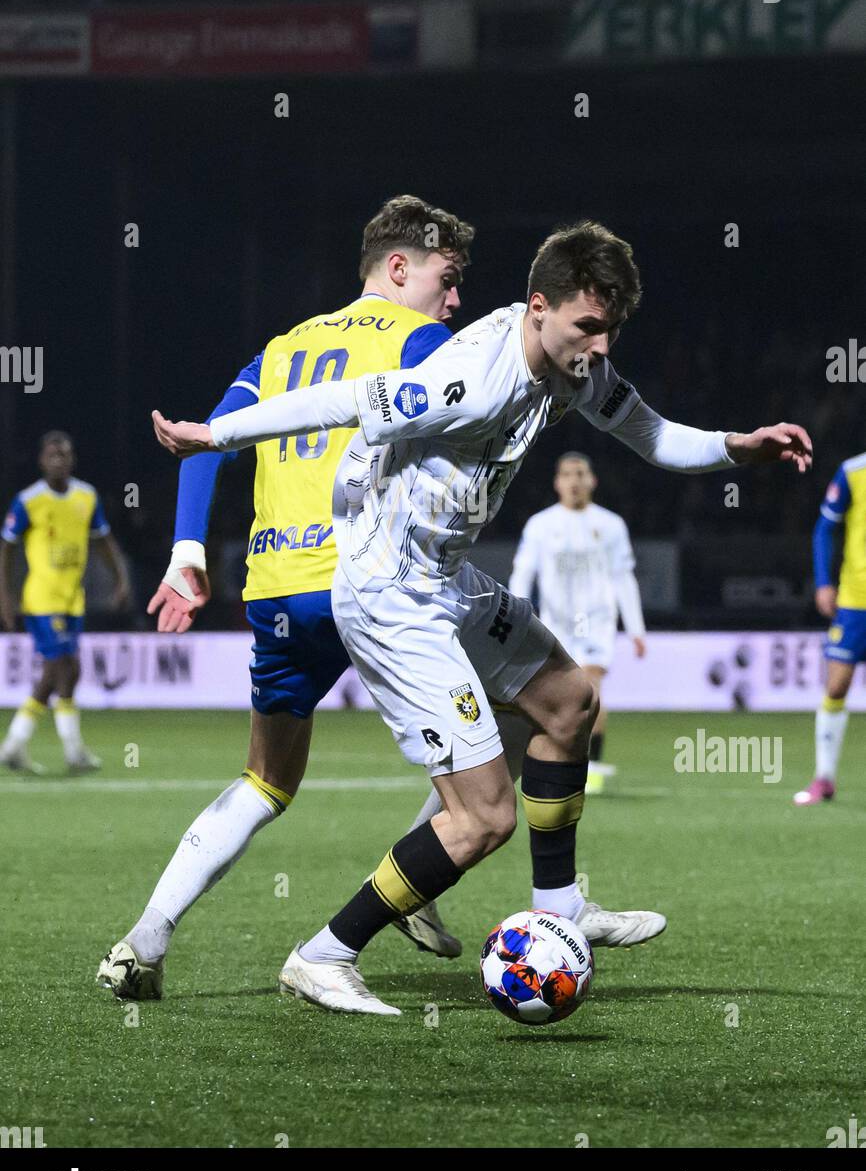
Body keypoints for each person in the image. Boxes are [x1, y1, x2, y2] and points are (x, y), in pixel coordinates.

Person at [153, 219, 812, 1016]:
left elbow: (652, 434)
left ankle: (561, 906)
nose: (601, 346)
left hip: (443, 578)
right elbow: (346, 399)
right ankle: (324, 955)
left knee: (569, 704)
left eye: (611, 329)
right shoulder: (472, 376)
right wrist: (213, 436)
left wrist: (740, 446)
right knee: (485, 817)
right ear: (539, 307)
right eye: (588, 326)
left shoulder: (575, 366)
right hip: (389, 594)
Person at [97, 195, 471, 1000]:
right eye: (447, 278)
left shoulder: (282, 348)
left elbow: (205, 441)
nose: (454, 299)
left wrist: (187, 554)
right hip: (370, 585)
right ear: (398, 267)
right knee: (533, 703)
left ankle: (144, 940)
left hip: (274, 590)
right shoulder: (423, 341)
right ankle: (411, 891)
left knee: (266, 780)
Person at [509, 452, 646, 791]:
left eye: (580, 473)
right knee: (553, 698)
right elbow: (523, 573)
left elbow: (623, 576)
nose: (574, 480)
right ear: (557, 483)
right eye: (567, 474)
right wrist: (517, 618)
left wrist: (636, 629)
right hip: (555, 624)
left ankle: (592, 767)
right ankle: (553, 762)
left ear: (592, 481)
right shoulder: (540, 525)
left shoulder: (611, 525)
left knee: (589, 689)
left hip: (597, 622)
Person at [0, 431, 130, 773]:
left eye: (64, 455)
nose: (58, 461)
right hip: (42, 600)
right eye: (52, 455)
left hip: (73, 600)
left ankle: (13, 745)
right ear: (41, 461)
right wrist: (5, 597)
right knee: (63, 668)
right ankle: (73, 750)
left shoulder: (86, 496)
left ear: (72, 460)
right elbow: (7, 549)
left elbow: (103, 540)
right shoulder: (28, 501)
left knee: (61, 672)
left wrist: (120, 578)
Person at [795, 451, 866, 805]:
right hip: (855, 601)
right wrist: (824, 582)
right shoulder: (853, 471)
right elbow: (825, 528)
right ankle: (823, 778)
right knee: (836, 686)